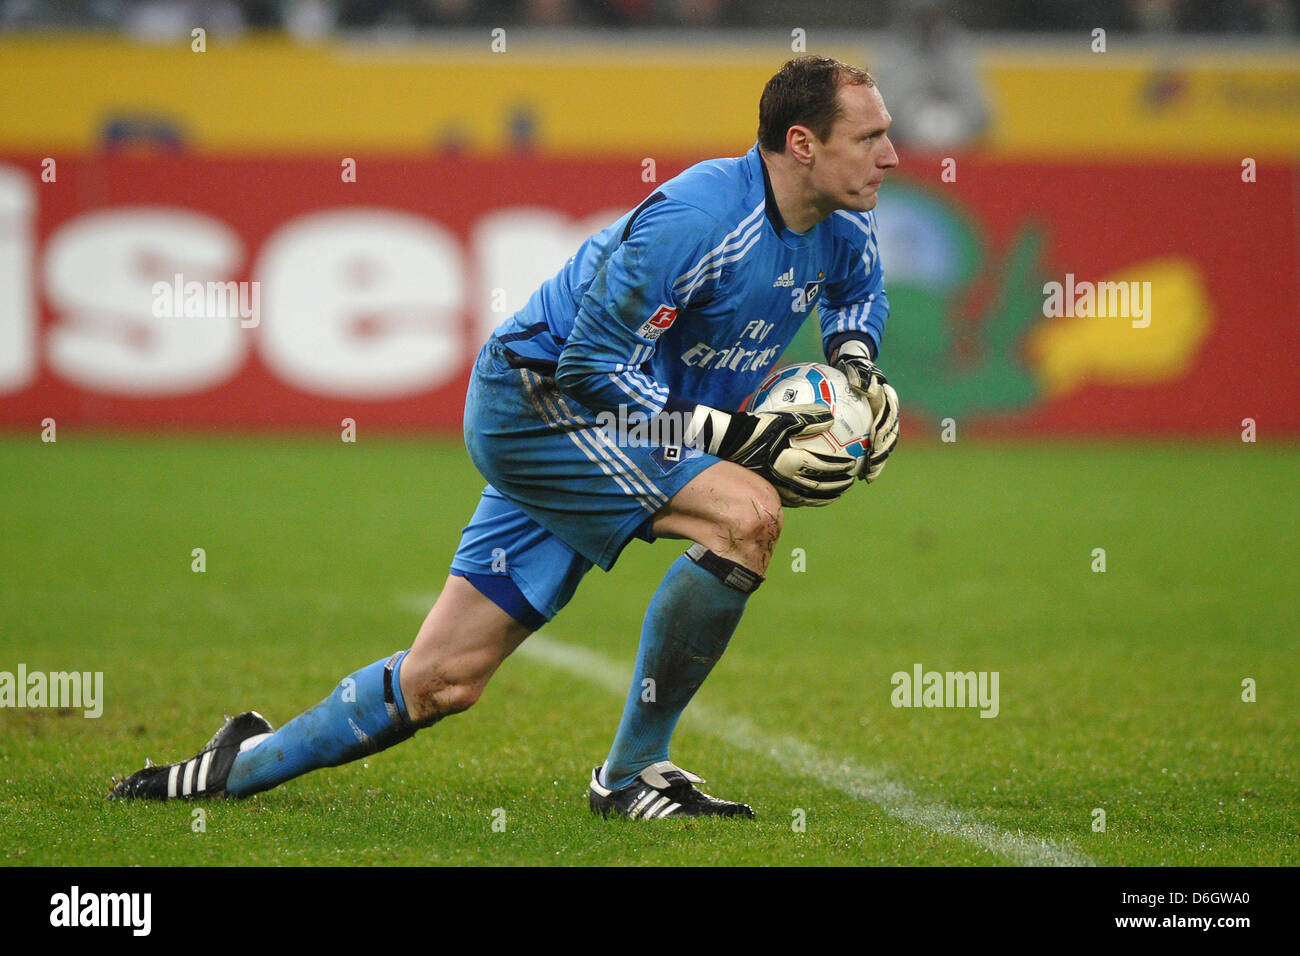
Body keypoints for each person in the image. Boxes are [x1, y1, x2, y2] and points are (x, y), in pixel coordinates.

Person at [109, 54, 901, 819]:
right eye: (870, 138)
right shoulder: (699, 219)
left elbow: (858, 293)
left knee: (442, 681)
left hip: (615, 421)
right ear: (803, 144)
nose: (891, 156)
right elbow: (591, 366)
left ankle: (234, 766)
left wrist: (857, 370)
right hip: (539, 404)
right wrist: (730, 434)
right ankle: (631, 775)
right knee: (746, 514)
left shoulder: (841, 221)